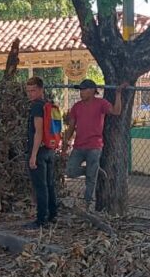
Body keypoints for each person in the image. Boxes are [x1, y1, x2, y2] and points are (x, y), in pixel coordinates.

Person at [62, 78, 129, 207]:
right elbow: (70, 128)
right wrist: (65, 145)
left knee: (90, 179)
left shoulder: (101, 103)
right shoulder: (77, 106)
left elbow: (116, 111)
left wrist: (118, 94)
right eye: (80, 90)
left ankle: (86, 203)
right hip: (79, 145)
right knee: (70, 171)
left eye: (84, 89)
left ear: (92, 91)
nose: (81, 92)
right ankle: (92, 170)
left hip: (94, 145)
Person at [24, 76, 58, 230]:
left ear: (41, 90)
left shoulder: (37, 107)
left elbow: (38, 132)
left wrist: (33, 155)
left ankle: (41, 219)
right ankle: (52, 215)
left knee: (41, 186)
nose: (30, 94)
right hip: (50, 150)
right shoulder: (48, 105)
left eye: (33, 90)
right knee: (49, 184)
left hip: (39, 151)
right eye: (28, 91)